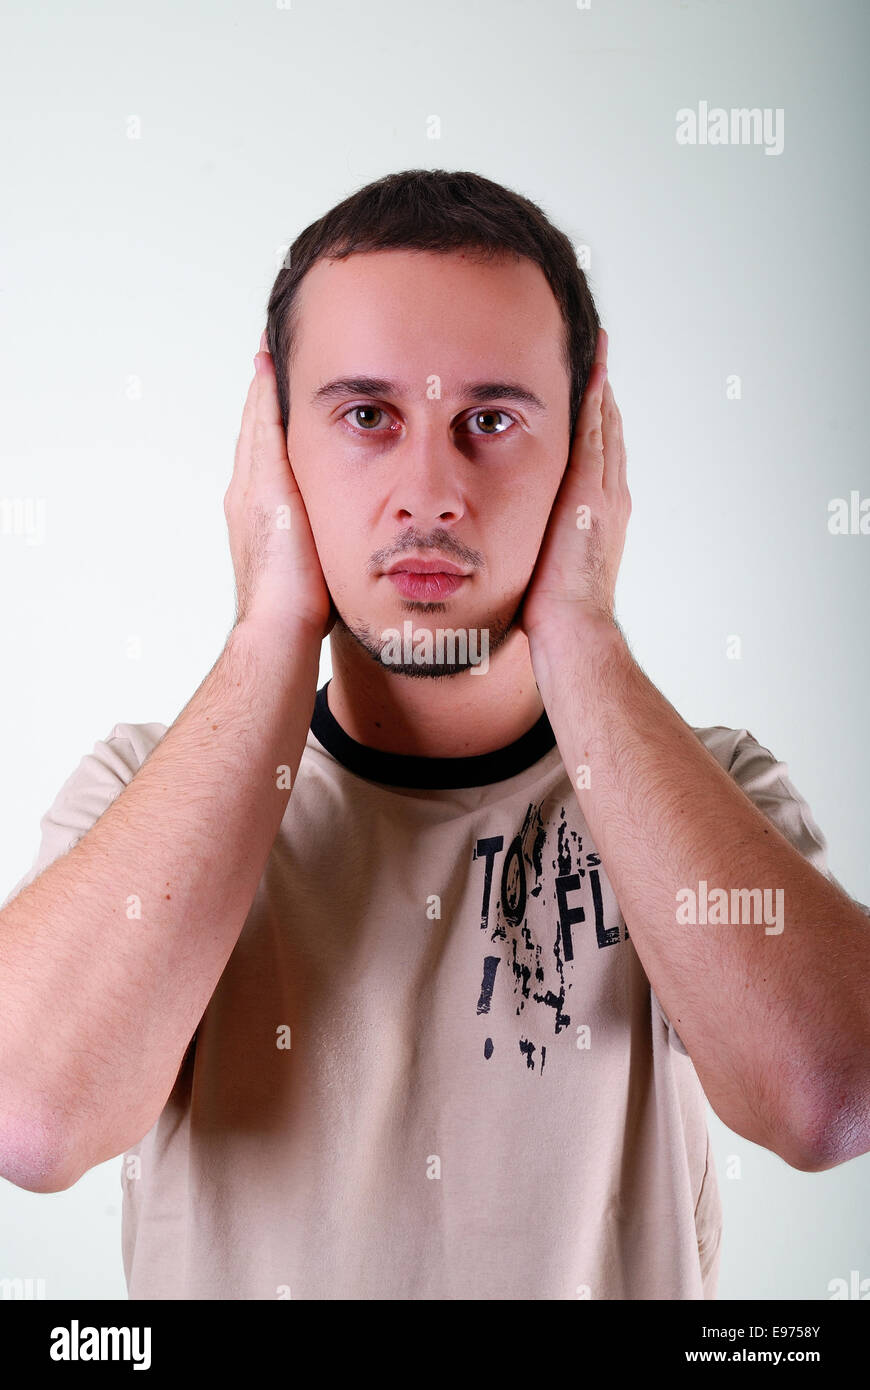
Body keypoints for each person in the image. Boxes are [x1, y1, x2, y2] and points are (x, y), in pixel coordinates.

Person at [1, 169, 868, 1301]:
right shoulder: (139, 792)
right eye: (367, 416)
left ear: (585, 446)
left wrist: (583, 629)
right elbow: (33, 1119)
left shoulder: (715, 789)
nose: (430, 490)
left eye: (492, 420)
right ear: (275, 445)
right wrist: (273, 619)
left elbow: (829, 1097)